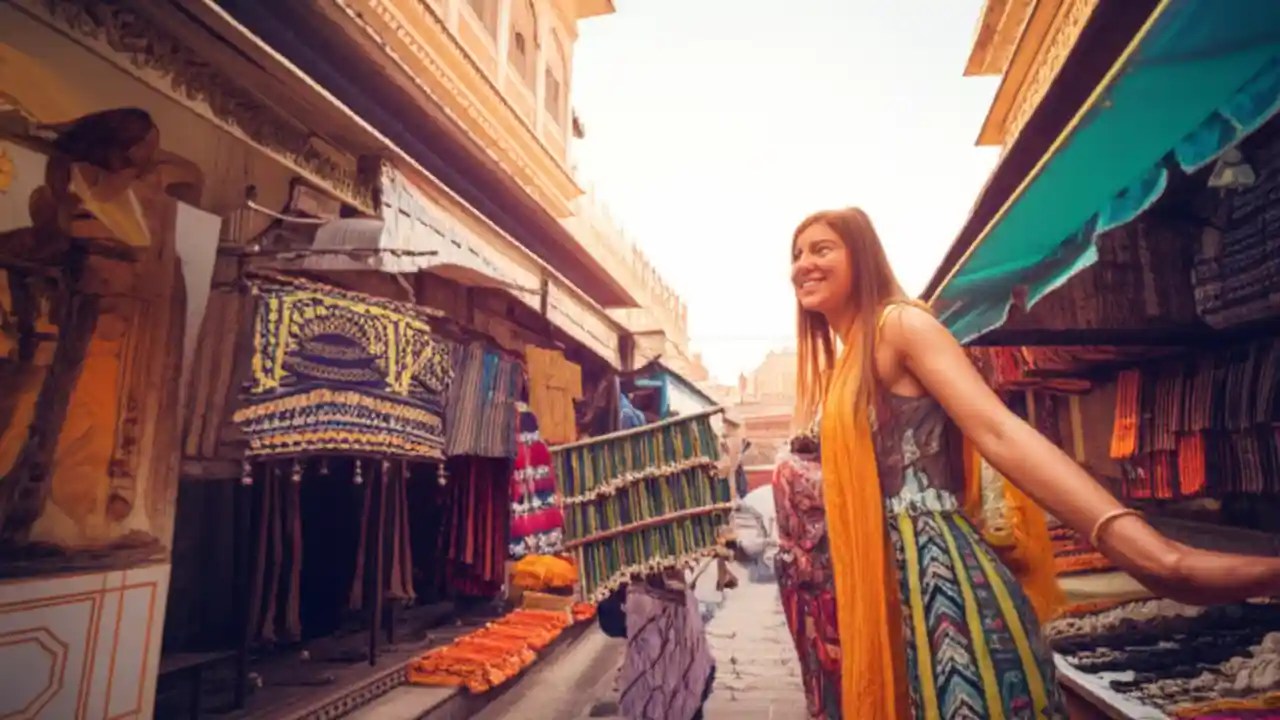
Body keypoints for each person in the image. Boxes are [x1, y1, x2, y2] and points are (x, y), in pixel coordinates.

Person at [773, 207, 1280, 720]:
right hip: (879, 584)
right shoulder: (846, 361)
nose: (803, 265)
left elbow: (999, 431)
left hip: (936, 585)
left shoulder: (900, 325)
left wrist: (1142, 547)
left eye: (821, 248)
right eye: (797, 254)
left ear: (861, 255)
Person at [596, 571, 715, 720]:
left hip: (660, 685)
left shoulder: (635, 594)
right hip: (689, 675)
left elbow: (610, 623)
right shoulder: (677, 580)